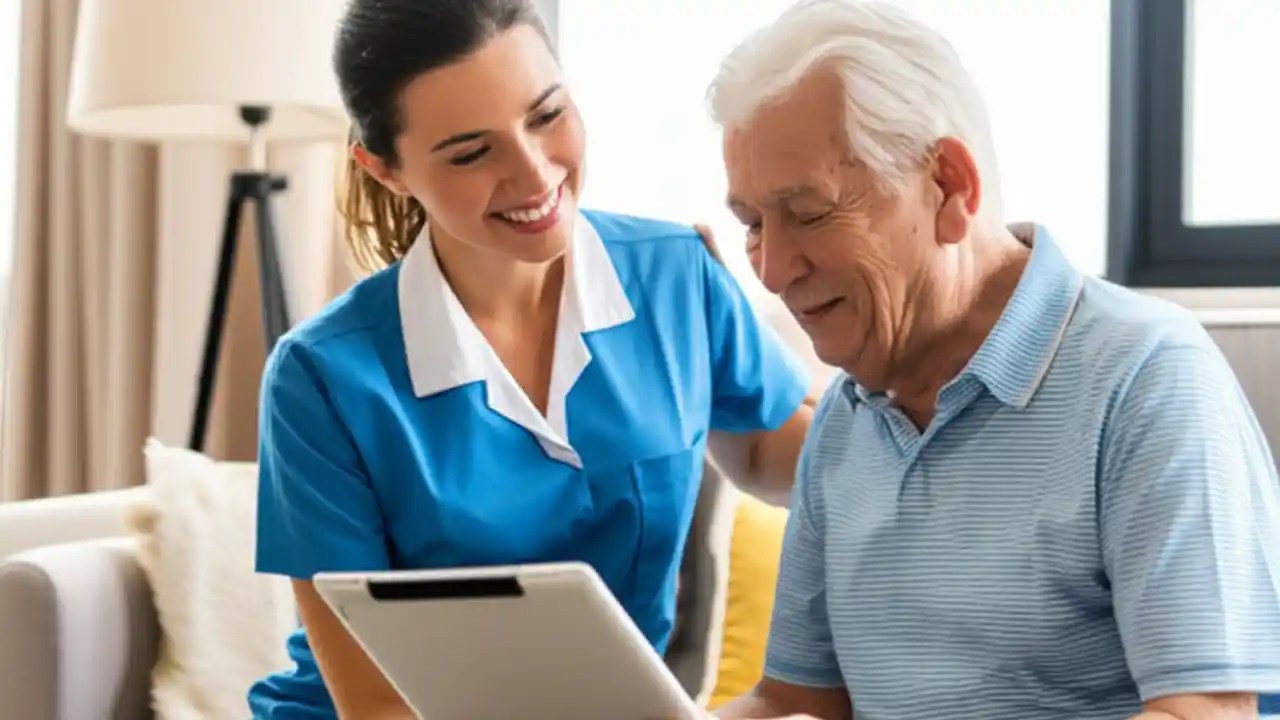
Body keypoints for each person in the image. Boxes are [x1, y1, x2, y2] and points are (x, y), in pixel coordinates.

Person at [700, 1, 1280, 719]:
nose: (772, 267)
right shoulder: (848, 418)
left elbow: (1204, 713)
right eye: (753, 224)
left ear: (949, 186)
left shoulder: (1148, 378)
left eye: (810, 213)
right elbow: (798, 703)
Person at [245, 1, 815, 717]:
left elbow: (766, 440)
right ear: (386, 170)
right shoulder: (321, 380)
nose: (534, 174)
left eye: (546, 115)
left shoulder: (676, 276)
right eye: (471, 152)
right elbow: (374, 706)